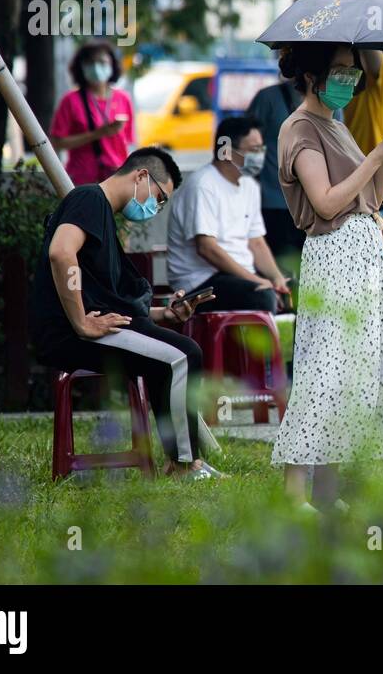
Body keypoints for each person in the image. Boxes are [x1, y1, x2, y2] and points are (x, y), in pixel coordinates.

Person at [270, 41, 383, 512]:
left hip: (364, 256)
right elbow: (327, 202)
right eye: (341, 71)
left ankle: (327, 495)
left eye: (353, 71)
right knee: (322, 375)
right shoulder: (300, 130)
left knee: (354, 376)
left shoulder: (337, 125)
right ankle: (295, 496)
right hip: (333, 258)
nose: (350, 80)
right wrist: (375, 158)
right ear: (312, 76)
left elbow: (368, 195)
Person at [29, 146, 223, 479]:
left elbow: (116, 303)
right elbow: (61, 254)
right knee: (183, 355)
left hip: (93, 327)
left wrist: (165, 314)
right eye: (159, 198)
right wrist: (82, 323)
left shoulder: (104, 218)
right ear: (142, 176)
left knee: (173, 357)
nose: (156, 209)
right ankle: (185, 465)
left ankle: (181, 462)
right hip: (67, 334)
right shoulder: (89, 199)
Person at [166, 115, 290, 314]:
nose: (260, 156)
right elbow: (207, 249)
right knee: (261, 295)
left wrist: (276, 279)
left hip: (239, 276)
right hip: (200, 282)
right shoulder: (203, 185)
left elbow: (256, 242)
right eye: (253, 150)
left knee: (298, 290)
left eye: (261, 149)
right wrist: (258, 281)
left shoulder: (250, 185)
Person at [49, 41, 136, 186]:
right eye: (91, 63)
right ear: (81, 67)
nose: (96, 68)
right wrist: (98, 134)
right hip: (81, 178)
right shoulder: (70, 100)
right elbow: (57, 142)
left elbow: (129, 143)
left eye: (102, 62)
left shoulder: (123, 99)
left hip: (117, 177)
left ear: (112, 66)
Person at [246, 77, 305, 271]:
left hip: (314, 208)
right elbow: (244, 147)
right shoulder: (268, 98)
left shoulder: (333, 105)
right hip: (273, 205)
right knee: (279, 272)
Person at [343, 49, 383, 216]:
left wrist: (364, 28)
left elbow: (374, 57)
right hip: (348, 189)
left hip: (378, 194)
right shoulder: (344, 90)